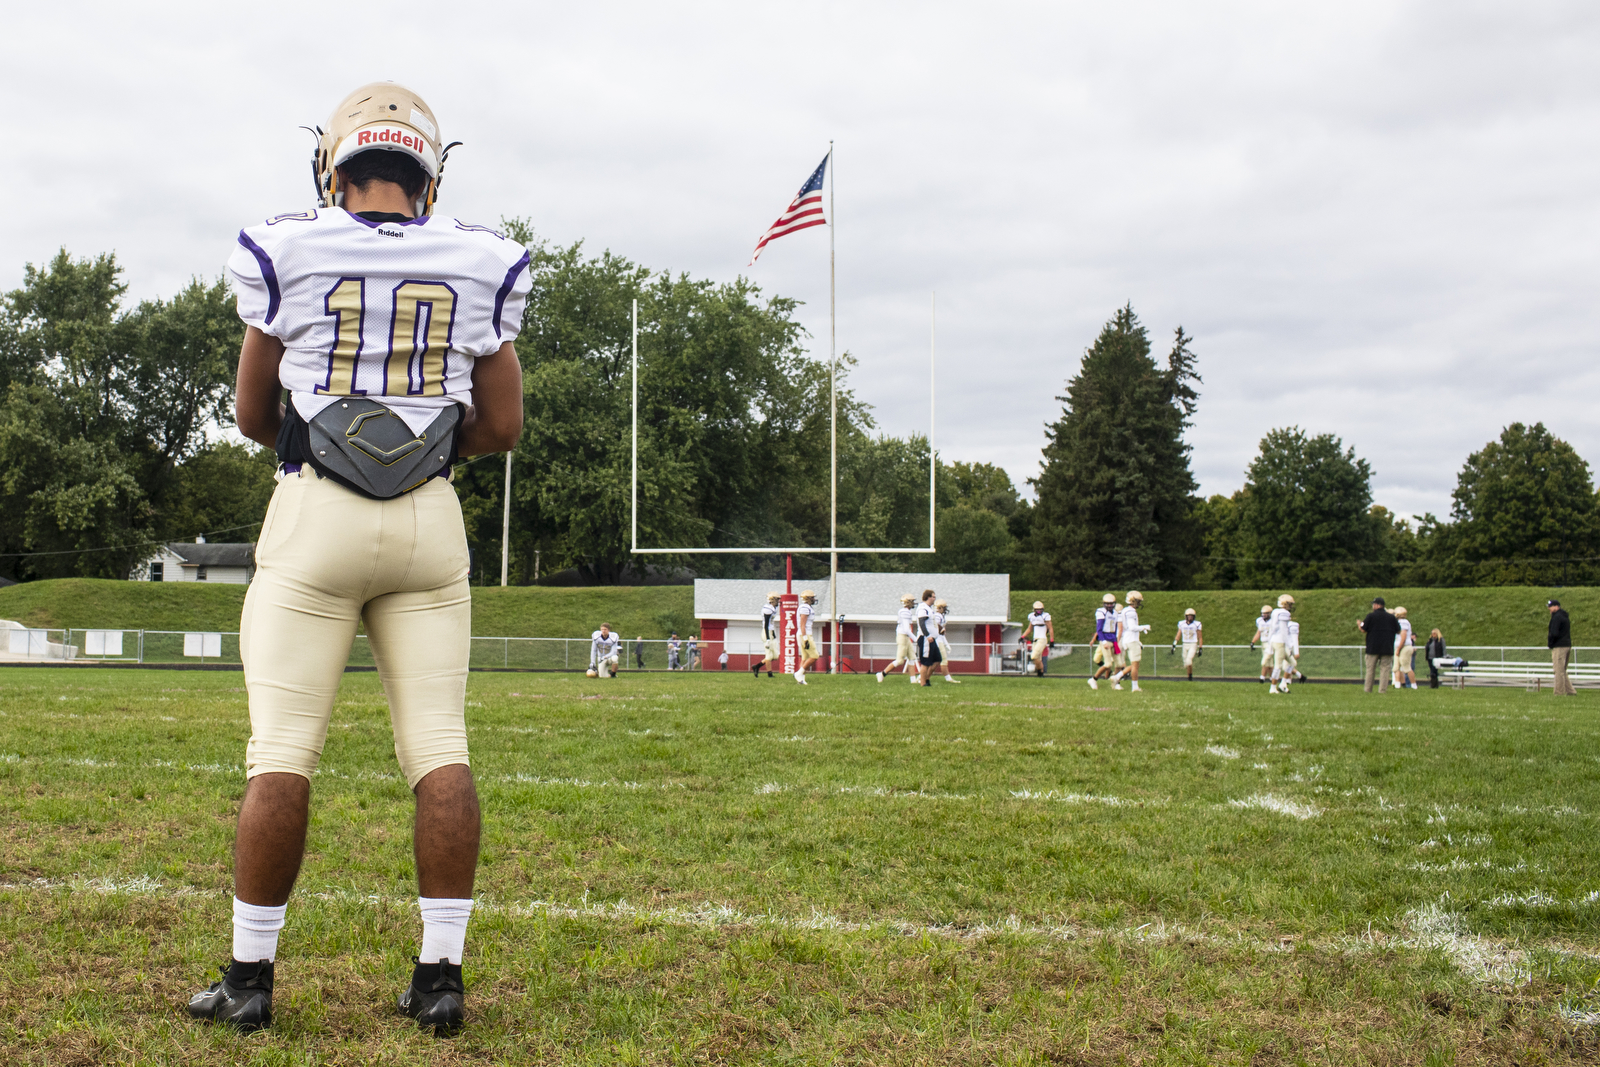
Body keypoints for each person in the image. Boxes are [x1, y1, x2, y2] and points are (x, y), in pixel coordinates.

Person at [186, 83, 530, 1037]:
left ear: (332, 167)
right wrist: (426, 449)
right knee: (440, 749)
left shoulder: (286, 245)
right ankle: (440, 979)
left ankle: (251, 977)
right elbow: (501, 422)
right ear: (429, 172)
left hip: (315, 513)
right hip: (429, 522)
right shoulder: (480, 257)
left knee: (282, 751)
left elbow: (254, 413)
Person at [1109, 591, 1149, 692]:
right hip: (1132, 639)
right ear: (1134, 601)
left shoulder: (1125, 610)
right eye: (1138, 601)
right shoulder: (1131, 612)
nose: (1139, 603)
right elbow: (1132, 627)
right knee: (1135, 665)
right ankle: (1135, 687)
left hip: (1126, 639)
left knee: (1134, 664)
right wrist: (1144, 627)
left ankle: (1116, 677)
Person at [1358, 597, 1400, 693]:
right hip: (1387, 647)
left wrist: (1359, 625)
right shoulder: (1391, 617)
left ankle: (1368, 689)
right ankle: (1382, 690)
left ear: (1376, 605)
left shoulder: (1371, 616)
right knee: (1385, 670)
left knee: (1370, 669)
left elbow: (1363, 629)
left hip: (1373, 647)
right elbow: (1398, 630)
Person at [876, 594, 918, 683]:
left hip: (905, 637)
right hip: (902, 637)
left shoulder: (906, 611)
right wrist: (916, 639)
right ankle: (882, 673)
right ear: (908, 602)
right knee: (900, 661)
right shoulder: (905, 612)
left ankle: (913, 680)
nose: (914, 603)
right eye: (912, 601)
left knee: (912, 658)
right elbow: (906, 629)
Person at [1266, 595, 1295, 695]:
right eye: (1290, 604)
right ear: (1285, 604)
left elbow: (1272, 628)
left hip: (1275, 640)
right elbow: (1283, 631)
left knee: (1292, 663)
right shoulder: (1284, 613)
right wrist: (1289, 645)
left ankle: (1283, 684)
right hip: (1280, 642)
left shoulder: (1275, 611)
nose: (1291, 606)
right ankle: (1273, 688)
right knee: (1278, 666)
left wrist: (1270, 643)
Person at [1089, 594, 1117, 689]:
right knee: (1108, 664)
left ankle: (1116, 684)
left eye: (1111, 604)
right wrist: (1103, 641)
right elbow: (1099, 629)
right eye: (1107, 604)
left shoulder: (1115, 613)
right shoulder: (1101, 612)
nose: (1109, 606)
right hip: (1106, 639)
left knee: (1119, 664)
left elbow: (1116, 628)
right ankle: (1093, 679)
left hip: (1114, 639)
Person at [915, 589, 941, 686]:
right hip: (926, 639)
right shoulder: (923, 608)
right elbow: (922, 623)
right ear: (928, 597)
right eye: (933, 596)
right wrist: (927, 635)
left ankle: (926, 679)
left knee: (937, 660)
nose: (935, 598)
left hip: (932, 639)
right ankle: (922, 683)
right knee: (925, 662)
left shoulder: (929, 609)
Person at [1549, 599, 1575, 696]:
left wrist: (1551, 643)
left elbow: (1554, 633)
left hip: (1559, 646)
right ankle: (1570, 691)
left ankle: (1559, 692)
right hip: (1567, 644)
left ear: (1556, 607)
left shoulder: (1557, 617)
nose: (1549, 609)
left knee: (1558, 670)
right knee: (1562, 670)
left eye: (1551, 607)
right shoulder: (1564, 616)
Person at [1022, 599, 1054, 678]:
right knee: (1037, 658)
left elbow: (1050, 628)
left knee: (1034, 656)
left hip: (1042, 639)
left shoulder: (1045, 616)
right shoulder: (1032, 616)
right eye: (1037, 610)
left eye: (1040, 610)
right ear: (1034, 610)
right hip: (1035, 639)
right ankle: (1040, 673)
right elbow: (1029, 628)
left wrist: (1052, 640)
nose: (1039, 611)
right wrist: (1022, 636)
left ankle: (1040, 671)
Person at [794, 590, 820, 684]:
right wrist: (805, 638)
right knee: (814, 656)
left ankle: (801, 679)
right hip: (805, 634)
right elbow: (802, 625)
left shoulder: (806, 607)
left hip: (803, 633)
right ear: (807, 598)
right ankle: (798, 673)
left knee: (805, 657)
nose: (814, 599)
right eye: (812, 597)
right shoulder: (805, 608)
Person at [753, 592, 780, 678]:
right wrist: (768, 638)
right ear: (772, 600)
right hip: (766, 632)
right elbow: (766, 624)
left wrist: (774, 635)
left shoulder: (773, 608)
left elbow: (771, 624)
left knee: (775, 656)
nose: (778, 601)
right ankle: (769, 674)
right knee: (769, 655)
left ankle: (757, 666)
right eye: (777, 599)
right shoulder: (767, 609)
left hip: (771, 632)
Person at [933, 598, 960, 683]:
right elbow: (936, 627)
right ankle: (948, 679)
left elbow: (941, 633)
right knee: (943, 660)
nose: (945, 609)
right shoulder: (937, 616)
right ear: (940, 608)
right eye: (944, 607)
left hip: (939, 639)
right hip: (937, 640)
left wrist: (946, 643)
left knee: (935, 661)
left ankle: (921, 677)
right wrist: (941, 630)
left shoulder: (940, 616)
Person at [1172, 608, 1203, 680]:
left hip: (1193, 643)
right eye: (1189, 616)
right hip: (1185, 644)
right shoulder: (1181, 623)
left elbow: (1200, 637)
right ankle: (1189, 675)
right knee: (1186, 662)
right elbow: (1179, 634)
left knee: (1189, 660)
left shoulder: (1197, 624)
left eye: (1192, 616)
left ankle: (1190, 677)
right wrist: (1174, 644)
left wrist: (1200, 648)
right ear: (1186, 616)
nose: (1190, 618)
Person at [1393, 608, 1417, 689]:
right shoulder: (1398, 622)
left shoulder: (1403, 622)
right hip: (1399, 646)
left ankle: (1414, 685)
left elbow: (1403, 637)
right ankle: (1397, 685)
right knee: (1396, 667)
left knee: (1406, 667)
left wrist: (1399, 649)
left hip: (1404, 647)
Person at [1250, 605, 1273, 684]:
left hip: (1270, 643)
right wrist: (1253, 642)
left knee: (1266, 661)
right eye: (1263, 613)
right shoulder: (1259, 621)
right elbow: (1258, 632)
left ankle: (1262, 678)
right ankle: (1272, 678)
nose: (1264, 615)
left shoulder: (1273, 621)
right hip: (1263, 643)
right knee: (1269, 662)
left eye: (1266, 613)